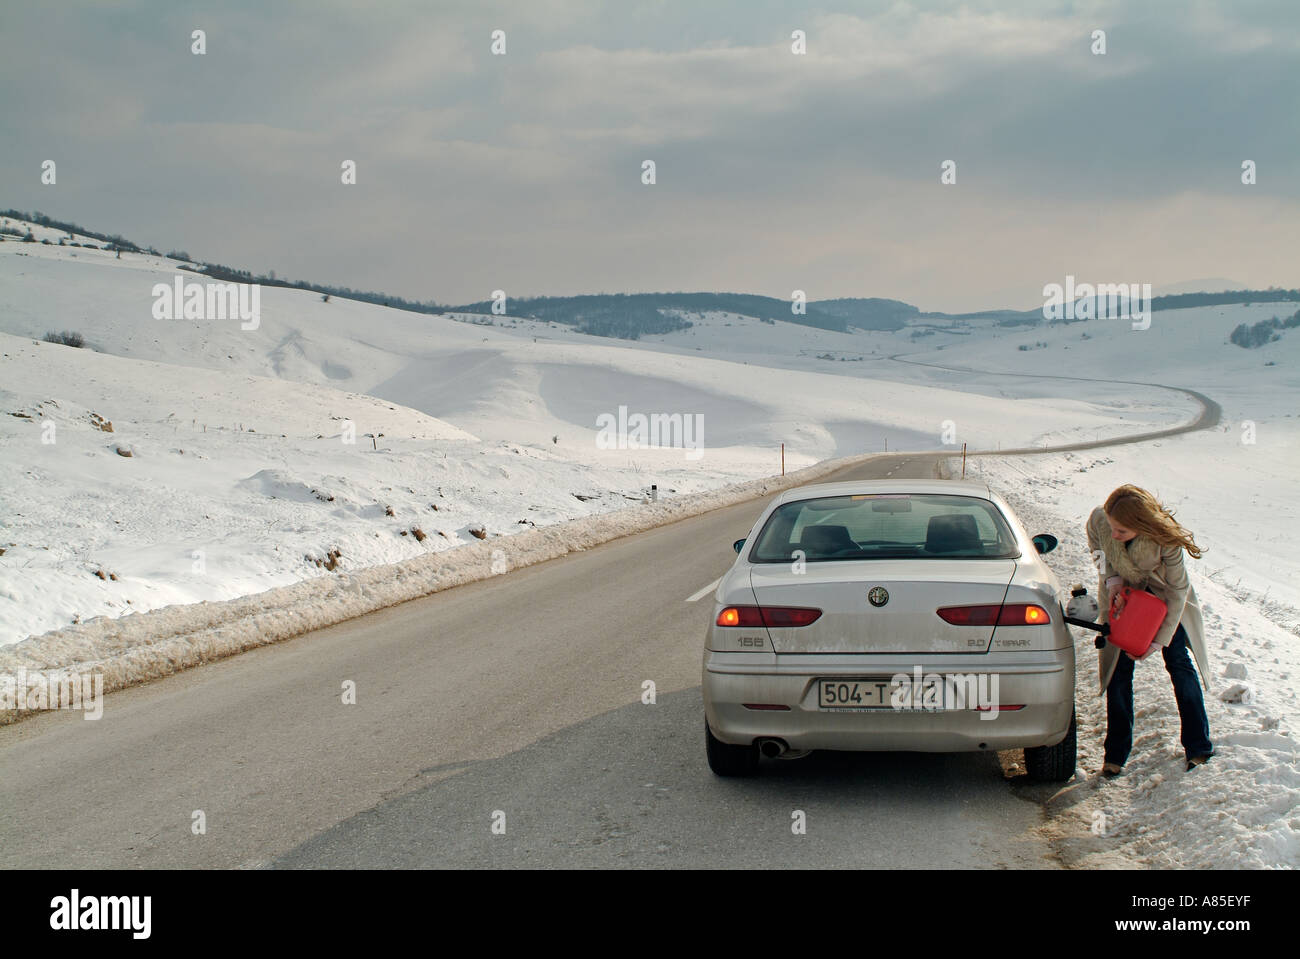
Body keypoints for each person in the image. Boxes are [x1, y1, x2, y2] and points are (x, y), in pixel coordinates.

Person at [1085, 484, 1213, 775]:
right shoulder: (1100, 520)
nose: (1115, 536)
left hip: (1164, 603)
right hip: (1121, 600)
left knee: (1178, 662)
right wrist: (1112, 579)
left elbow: (1180, 589)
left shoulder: (1166, 539)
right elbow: (1097, 547)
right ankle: (1115, 754)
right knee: (1118, 670)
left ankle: (1198, 746)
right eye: (1114, 529)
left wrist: (1159, 641)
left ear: (1142, 526)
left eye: (1123, 532)